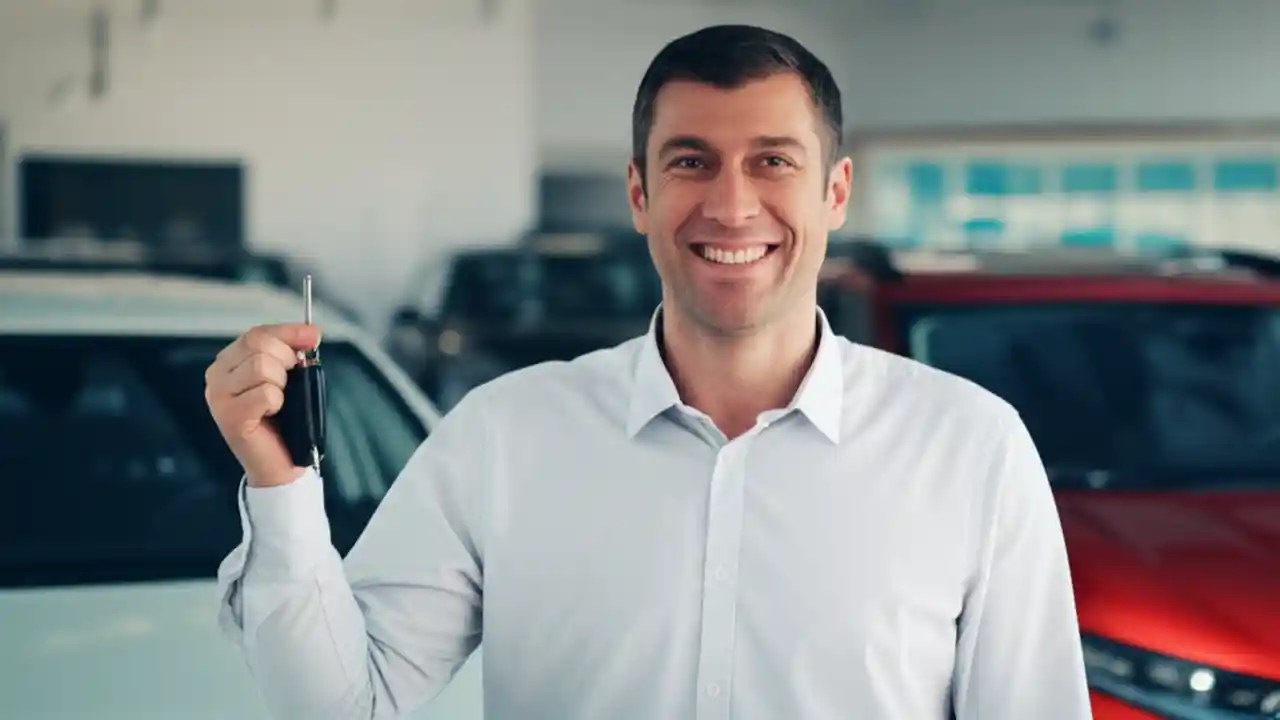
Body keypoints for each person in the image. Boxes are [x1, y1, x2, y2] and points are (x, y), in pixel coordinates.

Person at [205, 24, 1092, 720]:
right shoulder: (505, 435)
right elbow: (339, 704)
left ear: (835, 191)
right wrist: (277, 482)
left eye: (773, 161)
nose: (732, 204)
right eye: (690, 161)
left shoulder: (969, 445)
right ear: (640, 193)